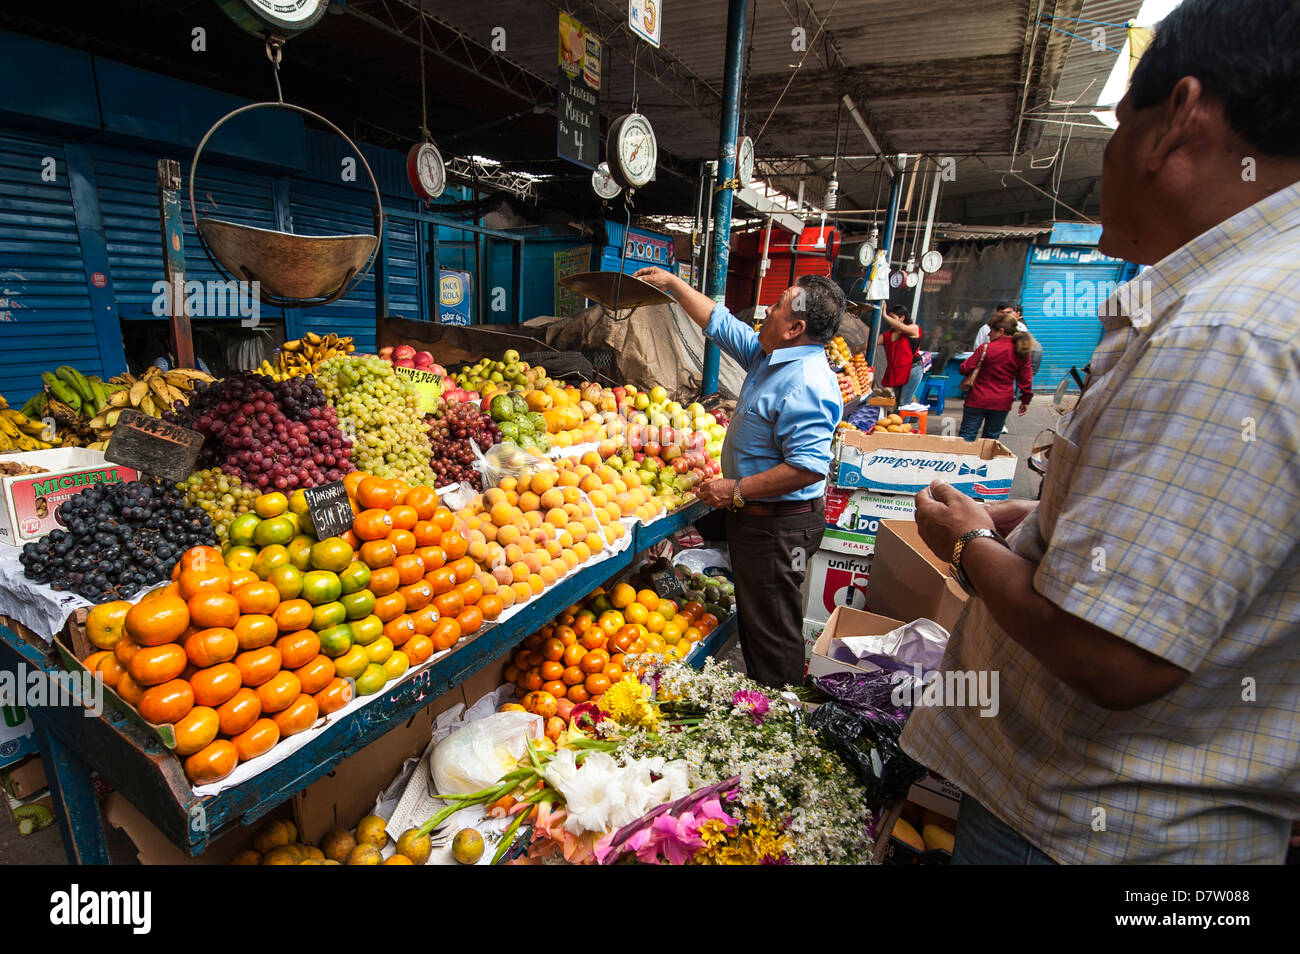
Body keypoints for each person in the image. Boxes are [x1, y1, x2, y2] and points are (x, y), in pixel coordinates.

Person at [901, 0, 1300, 864]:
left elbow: (1114, 653)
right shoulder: (1247, 301)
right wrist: (1044, 527)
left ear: (1179, 120)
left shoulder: (1226, 333)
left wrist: (967, 544)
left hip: (1090, 833)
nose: (1106, 158)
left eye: (1118, 127)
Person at [633, 266, 844, 689]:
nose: (765, 311)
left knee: (773, 626)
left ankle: (781, 714)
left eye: (777, 306)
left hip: (779, 527)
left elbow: (807, 466)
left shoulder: (805, 382)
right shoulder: (773, 357)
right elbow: (720, 324)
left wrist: (736, 489)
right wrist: (675, 286)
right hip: (760, 520)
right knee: (759, 616)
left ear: (795, 328)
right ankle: (764, 701)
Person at [957, 313, 1033, 441]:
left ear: (1001, 331)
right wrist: (1025, 401)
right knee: (991, 440)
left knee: (966, 437)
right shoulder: (1022, 352)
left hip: (977, 399)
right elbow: (1026, 381)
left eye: (991, 330)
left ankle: (965, 461)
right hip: (1002, 402)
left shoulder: (985, 348)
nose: (988, 334)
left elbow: (965, 368)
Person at [880, 303, 923, 408]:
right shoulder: (888, 335)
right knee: (898, 401)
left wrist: (884, 316)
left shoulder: (914, 328)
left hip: (913, 369)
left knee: (904, 402)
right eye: (889, 318)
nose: (890, 321)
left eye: (893, 318)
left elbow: (901, 327)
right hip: (897, 371)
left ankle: (904, 423)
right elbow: (870, 343)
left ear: (902, 318)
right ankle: (900, 422)